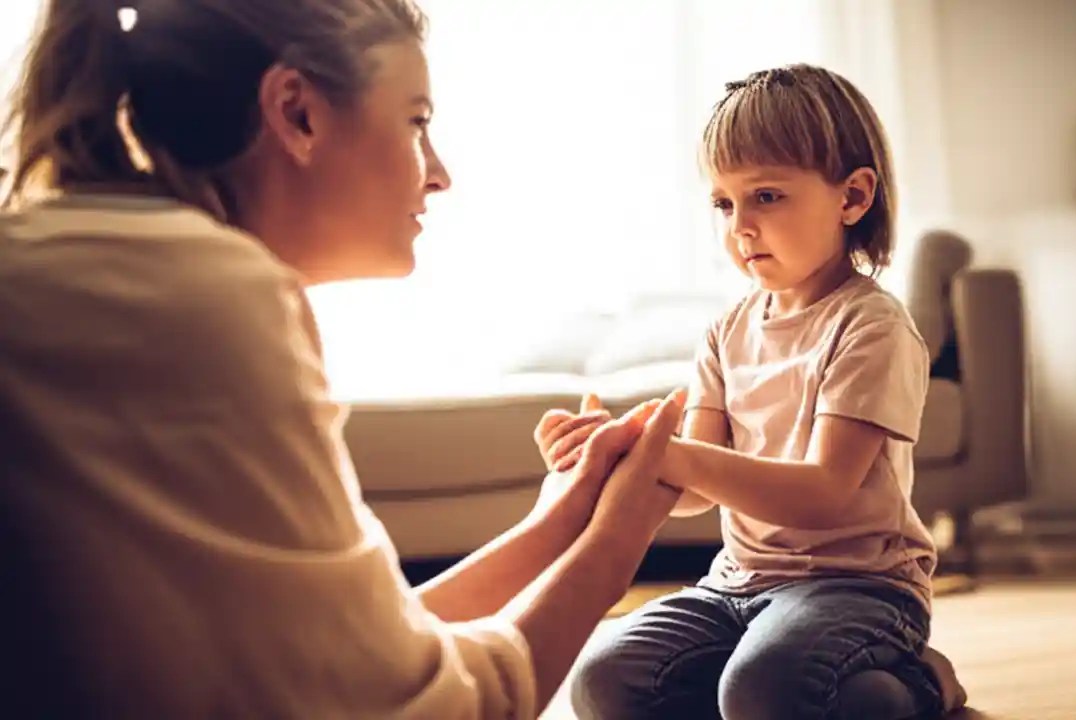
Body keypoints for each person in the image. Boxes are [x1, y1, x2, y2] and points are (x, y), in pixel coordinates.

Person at [0, 1, 684, 717]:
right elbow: (415, 705)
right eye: (417, 121)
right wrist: (618, 541)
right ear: (297, 113)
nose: (440, 173)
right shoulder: (211, 295)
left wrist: (561, 523)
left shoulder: (70, 262)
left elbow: (345, 648)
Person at [540, 65, 968, 719]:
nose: (740, 224)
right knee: (602, 680)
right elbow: (688, 496)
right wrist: (610, 457)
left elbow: (823, 494)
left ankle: (919, 681)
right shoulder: (726, 330)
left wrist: (672, 451)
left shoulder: (872, 326)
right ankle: (846, 699)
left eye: (766, 196)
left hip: (859, 589)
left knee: (762, 686)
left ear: (853, 198)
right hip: (736, 585)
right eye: (723, 202)